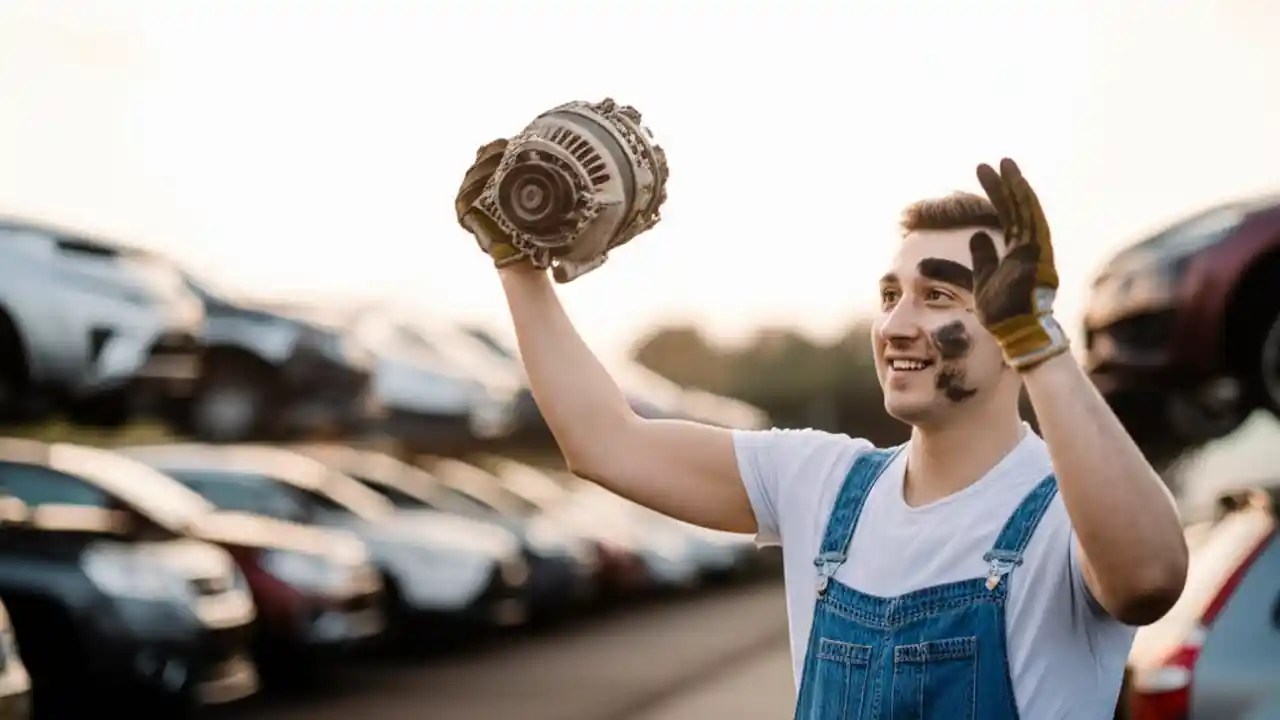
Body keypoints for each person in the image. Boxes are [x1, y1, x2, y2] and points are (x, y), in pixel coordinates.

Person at [455, 148, 1189, 719]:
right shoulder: (822, 484)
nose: (899, 323)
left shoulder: (1071, 512)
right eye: (890, 295)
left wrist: (1040, 344)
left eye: (938, 296)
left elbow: (1149, 579)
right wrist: (516, 265)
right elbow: (604, 441)